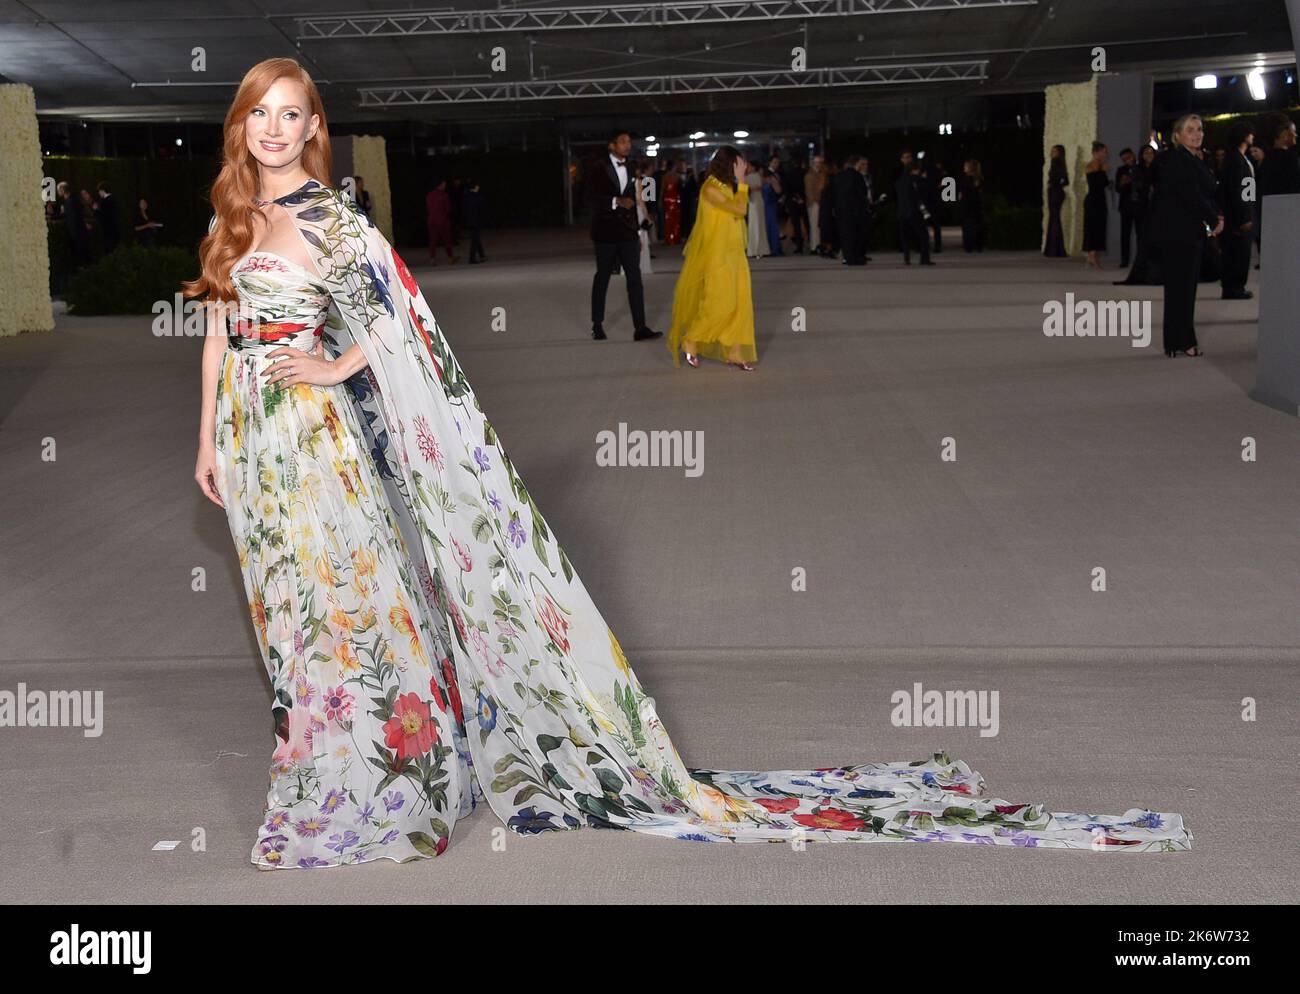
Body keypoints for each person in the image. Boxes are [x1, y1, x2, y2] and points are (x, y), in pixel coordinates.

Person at [186, 58, 1191, 869]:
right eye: (259, 116)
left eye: (290, 114)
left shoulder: (332, 217)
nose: (273, 130)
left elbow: (407, 324)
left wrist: (328, 361)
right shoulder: (237, 218)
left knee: (345, 604)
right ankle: (313, 765)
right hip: (250, 448)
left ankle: (380, 792)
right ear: (242, 127)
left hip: (318, 447)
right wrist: (206, 438)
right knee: (284, 615)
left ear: (311, 124)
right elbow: (217, 333)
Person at [667, 145, 756, 372]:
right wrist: (743, 181)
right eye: (739, 163)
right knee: (719, 304)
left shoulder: (726, 187)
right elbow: (739, 209)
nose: (743, 167)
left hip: (735, 254)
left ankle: (735, 353)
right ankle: (691, 339)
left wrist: (738, 182)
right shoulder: (710, 189)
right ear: (730, 165)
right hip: (718, 257)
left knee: (740, 305)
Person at [1149, 113, 1223, 357]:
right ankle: (1182, 341)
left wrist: (1213, 217)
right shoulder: (1179, 160)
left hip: (1186, 231)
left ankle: (1177, 341)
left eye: (1199, 129)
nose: (1197, 134)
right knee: (1181, 289)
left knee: (1182, 289)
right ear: (1178, 136)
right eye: (1190, 130)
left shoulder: (1193, 159)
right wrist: (1214, 220)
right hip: (1179, 234)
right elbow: (1192, 196)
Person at [588, 130, 659, 341]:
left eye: (629, 141)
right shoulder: (598, 167)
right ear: (612, 146)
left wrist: (639, 229)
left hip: (628, 232)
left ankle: (640, 327)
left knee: (635, 279)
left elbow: (635, 198)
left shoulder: (631, 167)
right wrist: (615, 201)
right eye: (622, 141)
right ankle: (597, 324)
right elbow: (590, 198)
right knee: (602, 278)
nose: (627, 145)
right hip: (605, 232)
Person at [1218, 119, 1256, 300]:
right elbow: (1237, 190)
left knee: (1236, 252)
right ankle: (1234, 288)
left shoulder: (1237, 158)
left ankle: (1233, 287)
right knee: (1238, 253)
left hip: (1238, 213)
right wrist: (1244, 216)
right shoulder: (1236, 160)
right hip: (1238, 216)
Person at [895, 150, 933, 265]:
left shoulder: (899, 182)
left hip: (902, 211)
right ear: (914, 170)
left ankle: (907, 258)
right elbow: (925, 192)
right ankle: (924, 258)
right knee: (923, 235)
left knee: (905, 237)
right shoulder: (917, 180)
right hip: (914, 211)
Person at [833, 154, 869, 265]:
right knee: (856, 234)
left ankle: (847, 257)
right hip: (856, 210)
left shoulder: (839, 176)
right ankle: (856, 257)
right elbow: (862, 193)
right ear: (856, 164)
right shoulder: (857, 176)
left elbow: (834, 193)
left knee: (845, 234)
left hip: (842, 210)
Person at [1082, 141, 1109, 269]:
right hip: (1094, 200)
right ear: (1097, 152)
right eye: (1104, 152)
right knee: (1093, 227)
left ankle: (1092, 255)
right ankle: (1092, 256)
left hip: (1098, 200)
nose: (1105, 154)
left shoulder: (1099, 165)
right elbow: (1098, 184)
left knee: (1097, 227)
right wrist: (1103, 172)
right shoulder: (1093, 166)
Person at [425, 178, 458, 264]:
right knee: (447, 239)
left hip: (432, 220)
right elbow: (448, 209)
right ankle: (450, 258)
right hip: (442, 220)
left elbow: (428, 208)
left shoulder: (429, 195)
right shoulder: (444, 195)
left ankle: (432, 259)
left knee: (433, 241)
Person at [1044, 144, 1068, 257]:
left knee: (1054, 220)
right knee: (1055, 219)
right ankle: (1056, 249)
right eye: (1052, 150)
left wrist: (1052, 184)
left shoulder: (1055, 162)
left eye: (1055, 151)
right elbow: (1065, 181)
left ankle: (1053, 250)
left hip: (1054, 192)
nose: (1052, 153)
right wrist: (1058, 184)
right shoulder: (1062, 163)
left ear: (1059, 153)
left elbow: (1058, 179)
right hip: (1058, 192)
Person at [1114, 148, 1137, 267]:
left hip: (1139, 205)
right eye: (1124, 159)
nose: (1127, 160)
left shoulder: (1140, 168)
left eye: (1128, 157)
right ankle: (1125, 260)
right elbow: (1117, 189)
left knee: (1141, 233)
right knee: (1125, 234)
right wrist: (1123, 182)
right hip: (1126, 205)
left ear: (1133, 155)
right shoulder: (1121, 170)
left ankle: (1140, 259)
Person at [957, 159, 984, 253]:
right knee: (976, 226)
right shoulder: (978, 179)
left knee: (968, 226)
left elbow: (962, 193)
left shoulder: (967, 179)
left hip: (968, 205)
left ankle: (969, 246)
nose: (964, 168)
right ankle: (977, 245)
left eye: (966, 166)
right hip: (975, 205)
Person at [804, 155, 826, 255]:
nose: (819, 164)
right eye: (818, 162)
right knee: (814, 226)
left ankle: (818, 245)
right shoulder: (810, 175)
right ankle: (814, 246)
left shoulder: (821, 174)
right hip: (814, 204)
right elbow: (809, 192)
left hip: (819, 203)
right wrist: (816, 200)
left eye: (821, 162)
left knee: (818, 226)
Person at [462, 178, 486, 264]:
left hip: (469, 221)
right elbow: (481, 210)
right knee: (475, 240)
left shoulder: (466, 196)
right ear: (476, 186)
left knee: (476, 238)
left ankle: (482, 255)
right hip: (476, 221)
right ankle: (472, 258)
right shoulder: (478, 197)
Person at [743, 158, 764, 258]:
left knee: (756, 224)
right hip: (753, 201)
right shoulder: (748, 177)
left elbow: (758, 187)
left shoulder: (755, 176)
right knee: (754, 224)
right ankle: (755, 249)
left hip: (756, 201)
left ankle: (756, 249)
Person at [761, 165, 783, 255]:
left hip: (770, 205)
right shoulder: (762, 181)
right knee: (766, 227)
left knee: (772, 227)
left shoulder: (771, 180)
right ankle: (769, 248)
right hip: (765, 206)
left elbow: (778, 191)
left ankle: (774, 248)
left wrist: (773, 182)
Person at [94, 181, 120, 253]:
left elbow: (102, 217)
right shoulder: (114, 198)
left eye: (99, 191)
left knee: (109, 251)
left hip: (108, 231)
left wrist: (96, 210)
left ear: (102, 190)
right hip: (116, 229)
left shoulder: (105, 201)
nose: (99, 193)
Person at [663, 166, 682, 246]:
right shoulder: (677, 176)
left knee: (668, 219)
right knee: (676, 219)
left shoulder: (665, 176)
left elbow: (663, 188)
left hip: (667, 198)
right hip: (675, 198)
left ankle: (669, 239)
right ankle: (675, 238)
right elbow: (680, 187)